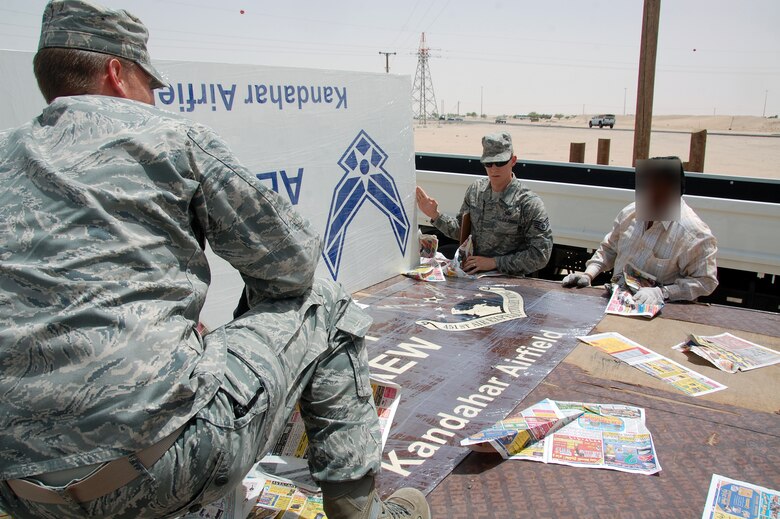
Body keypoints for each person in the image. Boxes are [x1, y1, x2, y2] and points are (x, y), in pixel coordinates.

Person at [0, 2, 430, 519]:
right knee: (325, 305)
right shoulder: (169, 139)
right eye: (149, 83)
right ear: (116, 73)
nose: (155, 98)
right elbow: (292, 262)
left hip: (20, 491)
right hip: (157, 467)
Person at [562, 156, 718, 304]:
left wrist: (662, 293)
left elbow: (705, 282)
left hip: (661, 311)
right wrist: (589, 274)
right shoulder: (630, 213)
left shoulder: (694, 234)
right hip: (617, 298)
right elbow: (609, 248)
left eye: (656, 193)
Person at [415, 132, 552, 276]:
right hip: (471, 277)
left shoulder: (528, 203)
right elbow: (461, 232)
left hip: (507, 281)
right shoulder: (476, 191)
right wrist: (435, 215)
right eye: (488, 163)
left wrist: (493, 262)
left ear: (513, 161)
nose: (493, 169)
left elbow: (540, 255)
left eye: (500, 162)